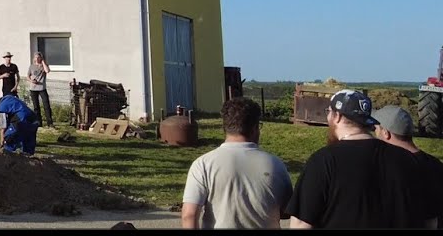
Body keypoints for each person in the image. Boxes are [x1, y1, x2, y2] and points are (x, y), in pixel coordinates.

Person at [287, 89, 436, 229]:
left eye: (329, 112)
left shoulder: (323, 161)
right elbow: (429, 221)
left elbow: (300, 224)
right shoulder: (408, 160)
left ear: (337, 116)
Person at [180, 97, 292, 229]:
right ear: (255, 128)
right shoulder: (276, 165)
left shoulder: (203, 164)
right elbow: (287, 211)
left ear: (225, 127)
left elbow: (189, 215)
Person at [371, 105, 443, 228]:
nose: (375, 133)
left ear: (386, 133)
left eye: (376, 129)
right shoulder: (435, 165)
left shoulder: (390, 168)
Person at [28, 51, 53, 127]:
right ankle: (38, 122)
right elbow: (28, 76)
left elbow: (47, 71)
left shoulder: (44, 66)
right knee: (36, 106)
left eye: (38, 57)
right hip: (33, 88)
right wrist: (31, 80)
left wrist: (43, 62)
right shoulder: (31, 66)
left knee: (46, 105)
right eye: (36, 57)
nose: (37, 59)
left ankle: (50, 122)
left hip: (42, 88)